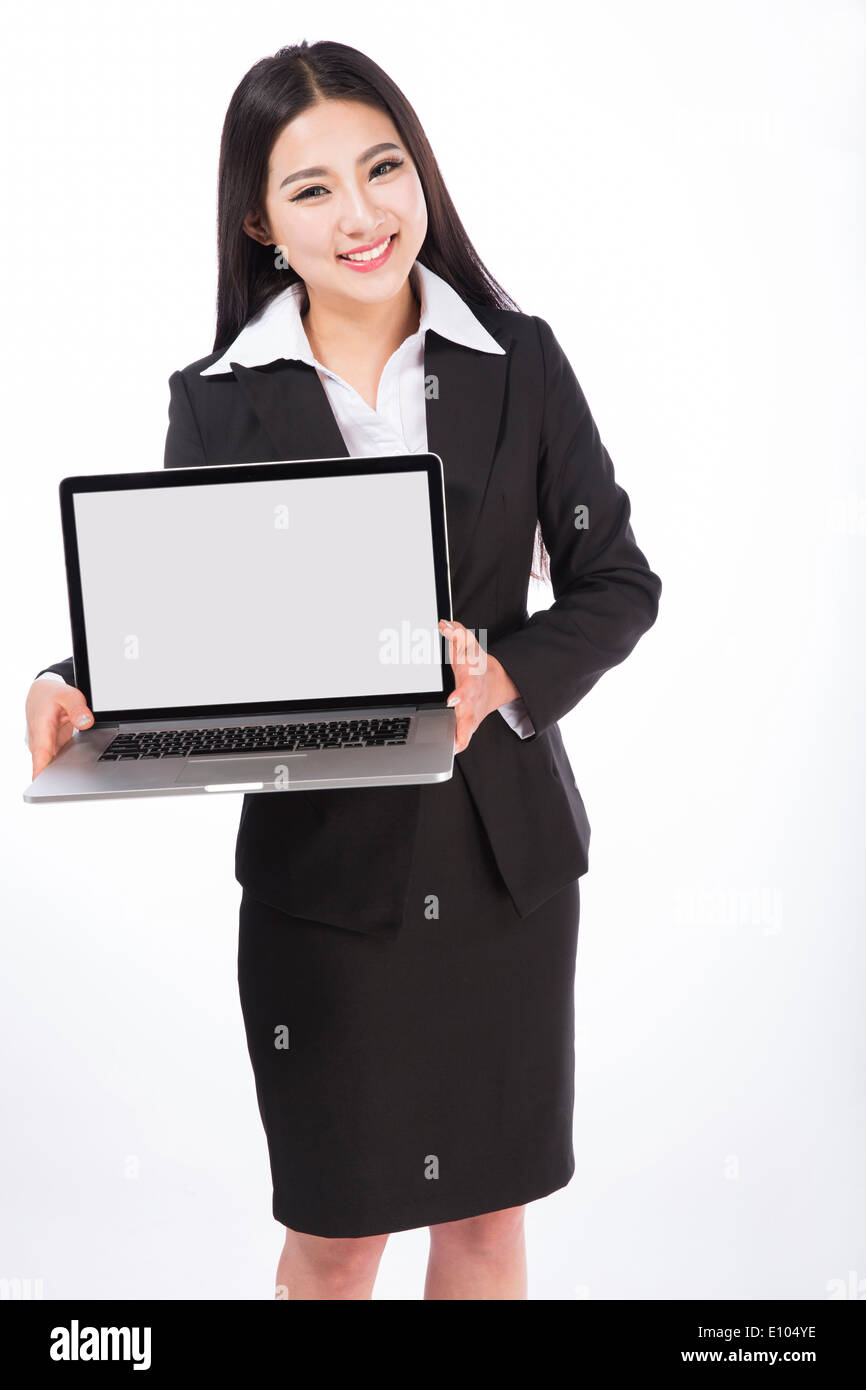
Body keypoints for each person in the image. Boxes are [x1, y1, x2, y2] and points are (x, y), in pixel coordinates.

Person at [25, 39, 662, 1300]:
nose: (361, 213)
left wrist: (501, 681)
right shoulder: (219, 401)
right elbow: (183, 614)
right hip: (324, 882)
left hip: (500, 864)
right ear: (260, 221)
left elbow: (616, 583)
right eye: (312, 188)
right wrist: (76, 676)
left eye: (383, 168)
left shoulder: (518, 361)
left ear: (420, 171)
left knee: (484, 1224)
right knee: (336, 1232)